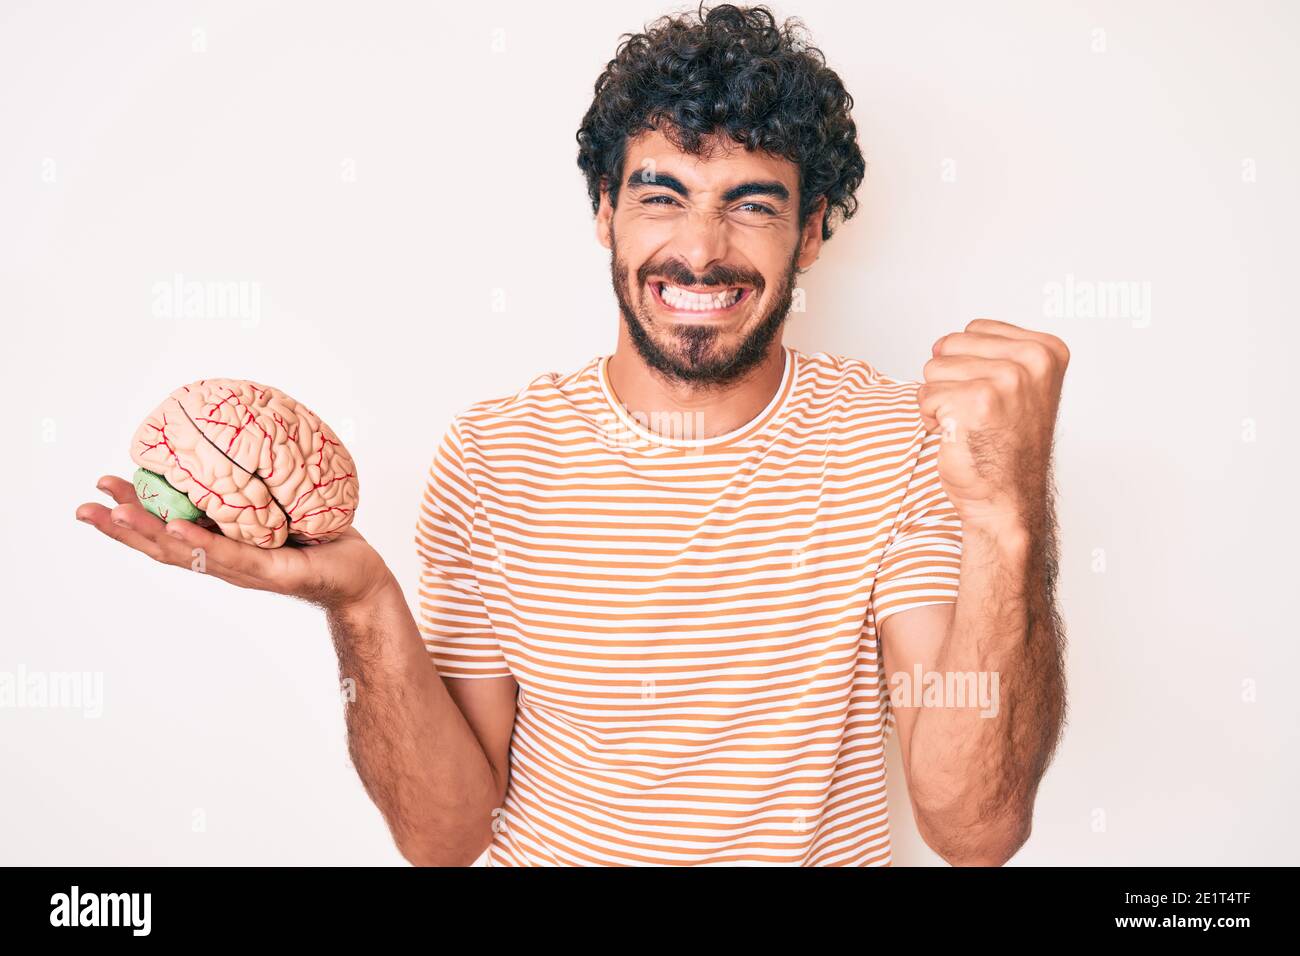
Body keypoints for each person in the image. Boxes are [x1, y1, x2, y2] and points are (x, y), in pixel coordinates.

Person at [76, 2, 1069, 866]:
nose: (700, 248)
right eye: (661, 195)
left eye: (751, 205)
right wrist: (362, 599)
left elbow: (972, 827)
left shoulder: (895, 441)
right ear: (604, 211)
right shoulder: (494, 456)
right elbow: (444, 836)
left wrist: (1011, 514)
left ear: (810, 231)